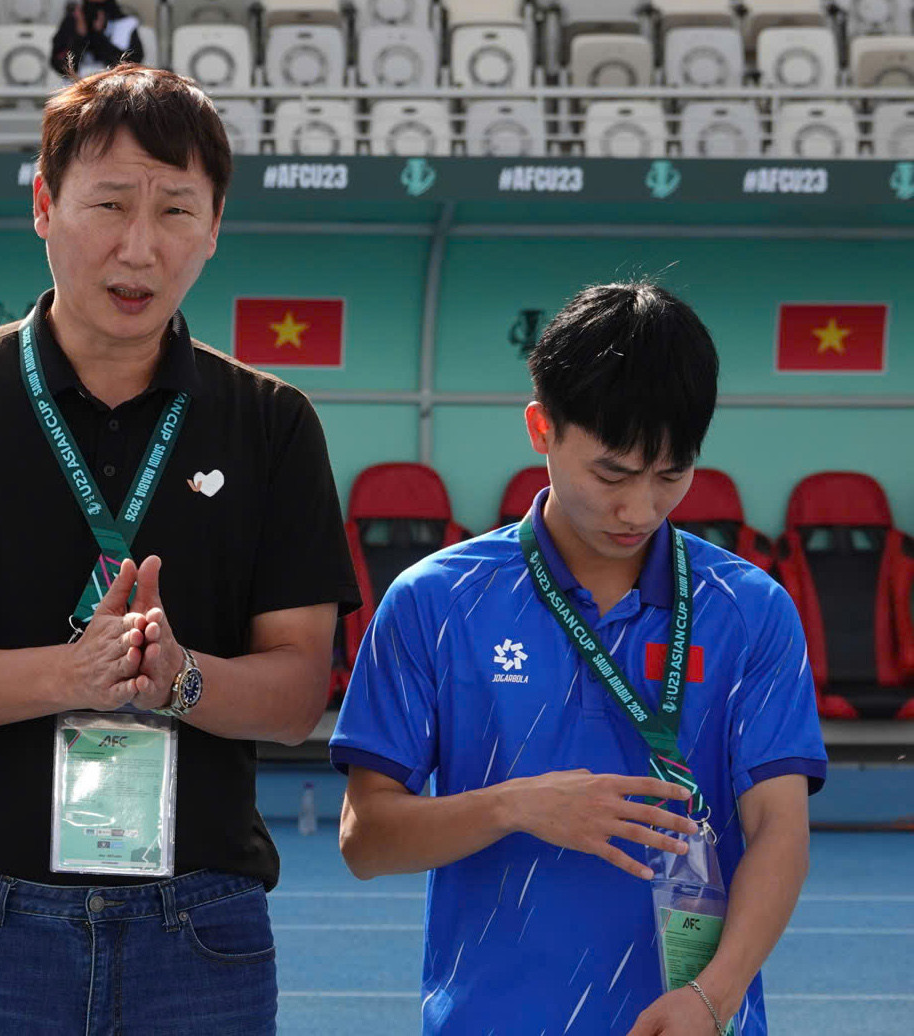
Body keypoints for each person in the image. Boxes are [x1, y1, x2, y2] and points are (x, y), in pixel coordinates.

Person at [0, 66, 359, 1033]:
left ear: (214, 226)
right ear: (44, 205)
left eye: (176, 211)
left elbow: (297, 695)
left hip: (201, 925)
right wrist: (71, 676)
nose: (140, 247)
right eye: (110, 204)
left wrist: (181, 681)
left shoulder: (272, 422)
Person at [331, 282, 827, 1036]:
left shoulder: (750, 610)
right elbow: (365, 840)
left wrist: (712, 997)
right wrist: (516, 806)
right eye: (612, 474)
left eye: (671, 475)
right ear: (542, 428)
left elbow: (780, 831)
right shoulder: (436, 601)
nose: (640, 510)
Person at [51, 0, 143, 78]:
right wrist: (80, 37)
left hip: (114, 88)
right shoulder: (74, 20)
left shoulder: (126, 24)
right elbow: (61, 67)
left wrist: (98, 37)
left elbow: (131, 64)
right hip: (79, 89)